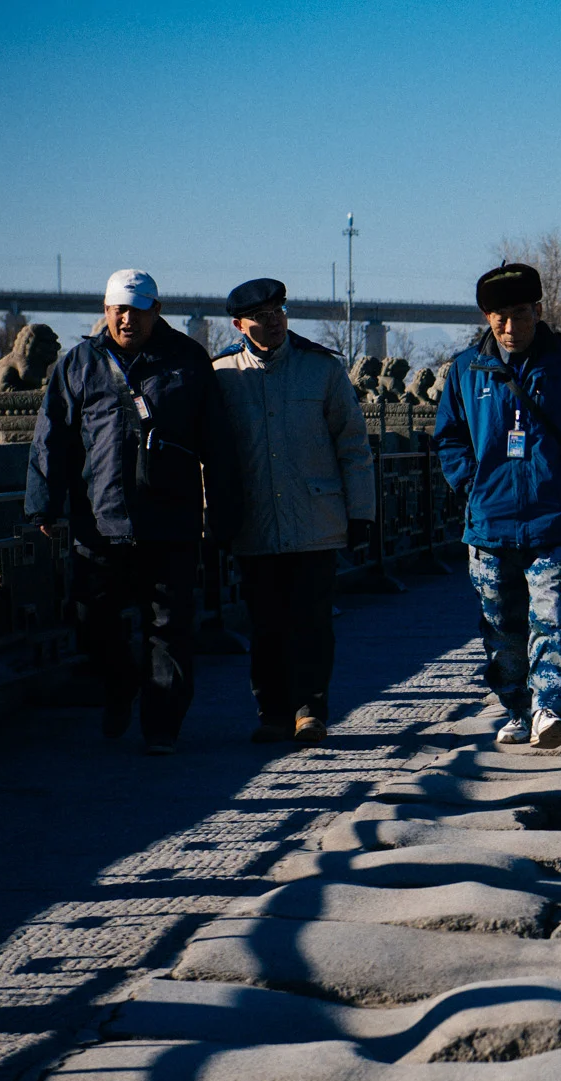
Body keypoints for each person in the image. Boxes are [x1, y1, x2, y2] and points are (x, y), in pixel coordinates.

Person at [26, 269, 240, 755]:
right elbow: (51, 436)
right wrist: (42, 501)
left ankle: (161, 725)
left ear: (155, 311)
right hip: (100, 520)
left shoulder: (186, 360)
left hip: (171, 519)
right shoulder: (79, 363)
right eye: (117, 309)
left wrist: (223, 511)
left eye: (136, 309)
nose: (126, 319)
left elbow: (218, 443)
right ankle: (120, 684)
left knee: (170, 627)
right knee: (90, 619)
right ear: (105, 311)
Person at [436, 262, 561, 748]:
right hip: (489, 524)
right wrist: (470, 483)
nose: (510, 327)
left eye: (519, 314)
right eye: (499, 317)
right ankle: (516, 706)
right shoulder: (465, 370)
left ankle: (549, 707)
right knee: (501, 625)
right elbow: (449, 437)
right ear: (486, 318)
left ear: (538, 310)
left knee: (552, 615)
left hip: (552, 519)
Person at [211, 278, 374, 746]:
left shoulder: (320, 368)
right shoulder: (221, 374)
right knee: (265, 623)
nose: (274, 320)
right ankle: (273, 712)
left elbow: (353, 444)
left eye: (279, 310)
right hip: (255, 520)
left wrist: (360, 512)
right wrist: (213, 515)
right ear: (239, 324)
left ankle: (310, 710)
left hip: (316, 519)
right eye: (261, 315)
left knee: (312, 620)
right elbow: (212, 456)